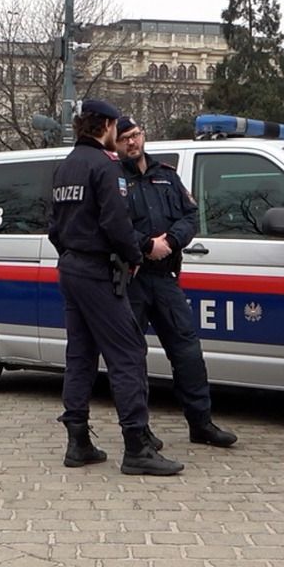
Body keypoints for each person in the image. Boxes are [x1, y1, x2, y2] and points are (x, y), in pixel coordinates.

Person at [48, 99, 181, 476]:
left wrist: (74, 254)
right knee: (128, 354)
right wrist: (137, 252)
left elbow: (54, 227)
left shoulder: (64, 167)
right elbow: (116, 222)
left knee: (80, 355)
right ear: (105, 125)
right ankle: (137, 447)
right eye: (114, 127)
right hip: (97, 272)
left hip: (70, 269)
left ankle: (78, 442)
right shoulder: (105, 167)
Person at [116, 117, 237, 448]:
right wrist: (146, 246)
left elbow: (190, 216)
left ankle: (201, 424)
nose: (131, 143)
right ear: (115, 143)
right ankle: (140, 431)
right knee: (132, 358)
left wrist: (169, 241)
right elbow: (114, 225)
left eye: (135, 135)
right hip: (132, 279)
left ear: (144, 136)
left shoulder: (166, 176)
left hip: (166, 277)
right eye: (124, 138)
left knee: (187, 353)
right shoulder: (113, 180)